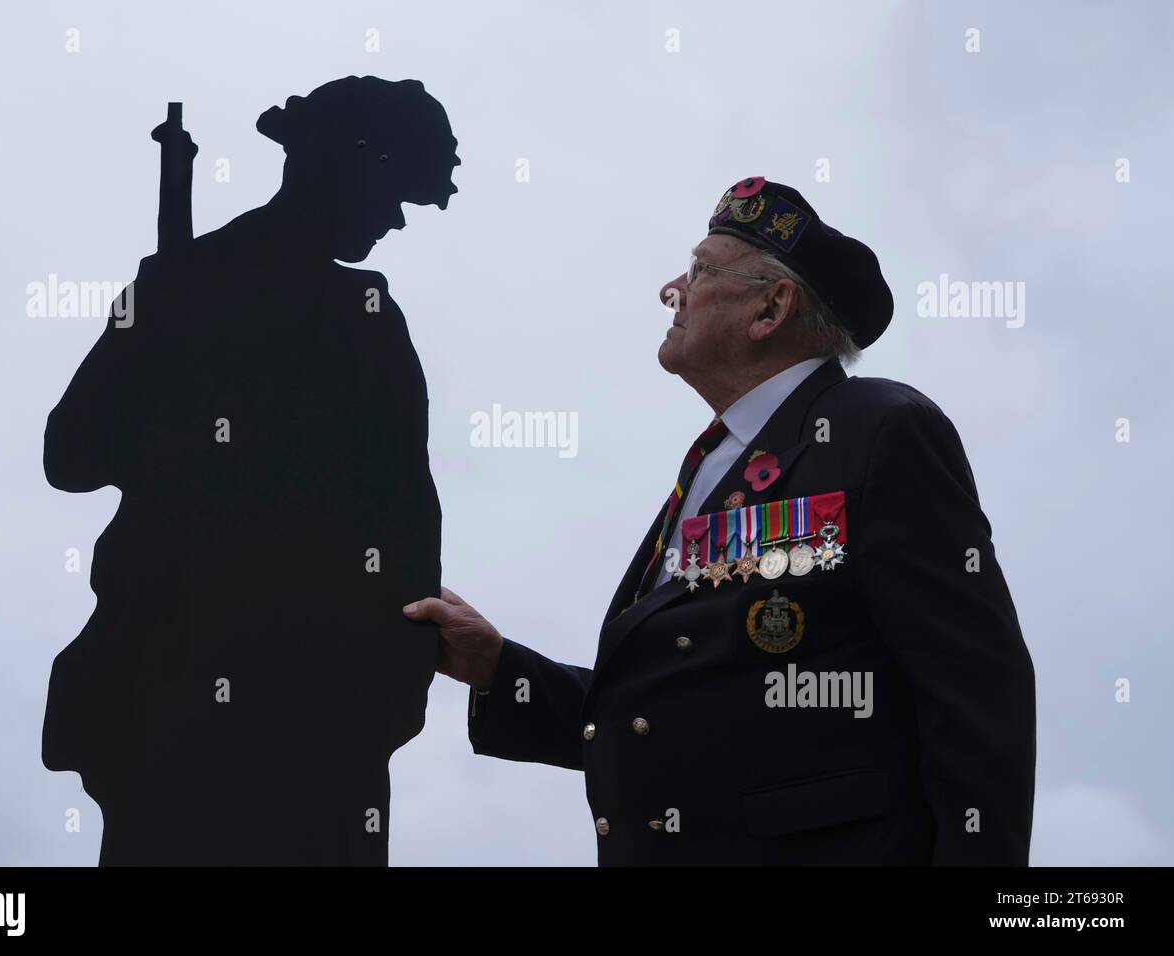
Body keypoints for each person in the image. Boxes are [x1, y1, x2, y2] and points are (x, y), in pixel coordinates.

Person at [405, 177, 1036, 865]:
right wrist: (500, 668)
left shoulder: (878, 430)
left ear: (770, 307)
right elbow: (668, 719)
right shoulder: (717, 463)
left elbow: (977, 695)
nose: (670, 289)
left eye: (701, 270)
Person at [42, 76, 459, 865]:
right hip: (171, 699)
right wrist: (180, 430)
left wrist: (386, 689)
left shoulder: (357, 310)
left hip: (319, 715)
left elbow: (406, 526)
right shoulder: (176, 287)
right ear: (343, 163)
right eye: (392, 189)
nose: (397, 217)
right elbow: (69, 453)